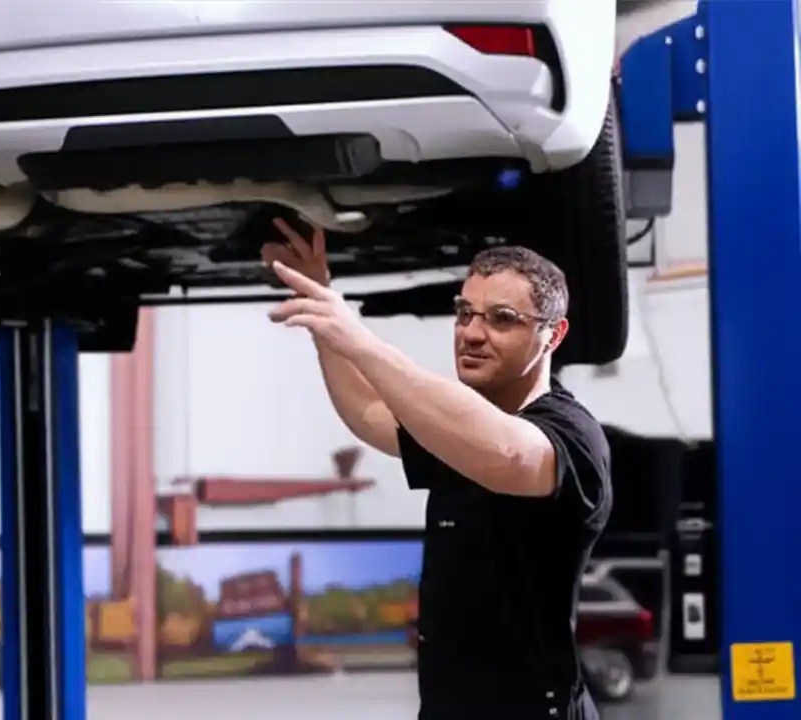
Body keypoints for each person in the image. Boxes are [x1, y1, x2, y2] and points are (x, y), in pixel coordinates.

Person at [262, 219, 611, 720]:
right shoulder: (455, 431)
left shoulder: (573, 437)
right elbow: (367, 411)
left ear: (552, 335)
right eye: (464, 314)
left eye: (501, 319)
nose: (472, 333)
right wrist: (324, 315)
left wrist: (360, 338)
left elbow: (508, 454)